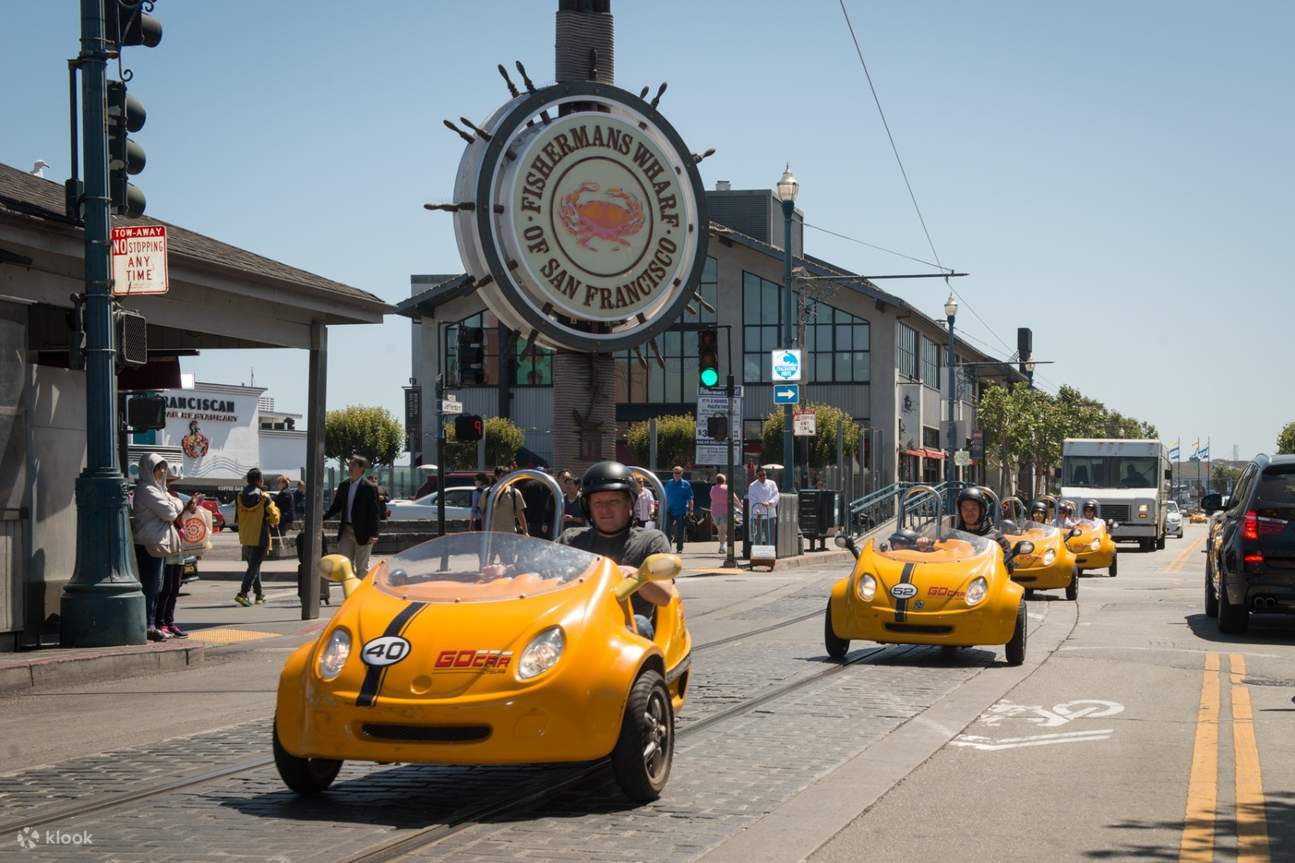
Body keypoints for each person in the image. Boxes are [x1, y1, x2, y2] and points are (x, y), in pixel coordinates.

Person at [557, 461, 678, 639]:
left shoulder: (651, 540)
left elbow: (664, 596)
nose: (605, 509)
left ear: (629, 504)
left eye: (613, 501)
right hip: (575, 623)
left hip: (626, 631)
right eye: (597, 503)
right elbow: (537, 570)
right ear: (588, 507)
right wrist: (508, 569)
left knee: (640, 624)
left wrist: (637, 576)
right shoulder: (571, 539)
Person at [132, 453, 185, 641]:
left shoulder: (158, 489)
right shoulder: (147, 489)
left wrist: (174, 502)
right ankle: (148, 624)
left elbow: (173, 505)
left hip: (158, 544)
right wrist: (177, 503)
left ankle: (153, 623)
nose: (162, 471)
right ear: (148, 470)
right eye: (158, 468)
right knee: (151, 586)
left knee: (158, 586)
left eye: (163, 467)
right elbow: (170, 512)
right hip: (150, 543)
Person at [322, 455, 382, 582]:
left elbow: (374, 513)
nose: (350, 467)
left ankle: (362, 598)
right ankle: (350, 596)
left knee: (362, 568)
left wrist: (374, 533)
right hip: (346, 531)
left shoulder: (369, 487)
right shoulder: (343, 485)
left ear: (361, 469)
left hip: (364, 532)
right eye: (350, 465)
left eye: (353, 465)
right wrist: (321, 518)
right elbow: (336, 506)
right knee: (345, 566)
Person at [156, 464, 198, 639]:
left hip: (178, 546)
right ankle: (160, 622)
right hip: (167, 545)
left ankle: (169, 621)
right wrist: (185, 507)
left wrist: (189, 508)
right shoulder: (158, 495)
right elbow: (172, 515)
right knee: (165, 588)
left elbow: (179, 517)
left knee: (174, 587)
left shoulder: (173, 496)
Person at [235, 467, 280, 606]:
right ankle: (243, 593)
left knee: (254, 566)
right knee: (254, 567)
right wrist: (274, 520)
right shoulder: (264, 496)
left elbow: (237, 518)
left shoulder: (240, 496)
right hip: (260, 536)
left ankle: (259, 595)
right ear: (259, 480)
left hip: (246, 536)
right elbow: (274, 516)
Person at [952, 486, 1014, 562]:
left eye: (974, 508)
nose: (969, 512)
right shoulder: (952, 537)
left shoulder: (997, 539)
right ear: (960, 511)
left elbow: (1008, 566)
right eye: (965, 508)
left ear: (982, 511)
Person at [481, 465, 527, 535]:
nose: (506, 479)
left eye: (507, 477)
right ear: (496, 477)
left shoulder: (515, 493)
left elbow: (520, 513)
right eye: (502, 476)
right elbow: (483, 514)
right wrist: (484, 532)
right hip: (492, 536)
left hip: (510, 535)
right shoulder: (487, 493)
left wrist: (525, 532)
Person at [662, 465, 694, 553]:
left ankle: (679, 548)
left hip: (681, 510)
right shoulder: (668, 483)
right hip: (669, 510)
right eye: (675, 472)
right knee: (667, 529)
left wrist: (691, 511)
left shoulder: (686, 484)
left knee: (680, 530)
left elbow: (690, 498)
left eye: (678, 473)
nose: (676, 474)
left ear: (681, 473)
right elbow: (664, 496)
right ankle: (668, 548)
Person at [746, 466, 780, 546]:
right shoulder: (752, 485)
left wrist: (769, 502)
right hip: (757, 515)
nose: (763, 477)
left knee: (770, 535)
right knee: (757, 535)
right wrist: (759, 506)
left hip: (770, 513)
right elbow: (752, 499)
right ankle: (758, 552)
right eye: (760, 475)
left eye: (764, 475)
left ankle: (770, 552)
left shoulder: (772, 483)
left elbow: (776, 495)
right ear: (757, 476)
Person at [709, 473, 738, 555]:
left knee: (720, 530)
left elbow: (712, 498)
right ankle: (723, 546)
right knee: (724, 531)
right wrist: (741, 507)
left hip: (715, 511)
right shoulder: (727, 488)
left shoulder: (713, 489)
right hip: (725, 511)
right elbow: (735, 499)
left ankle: (722, 546)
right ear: (724, 480)